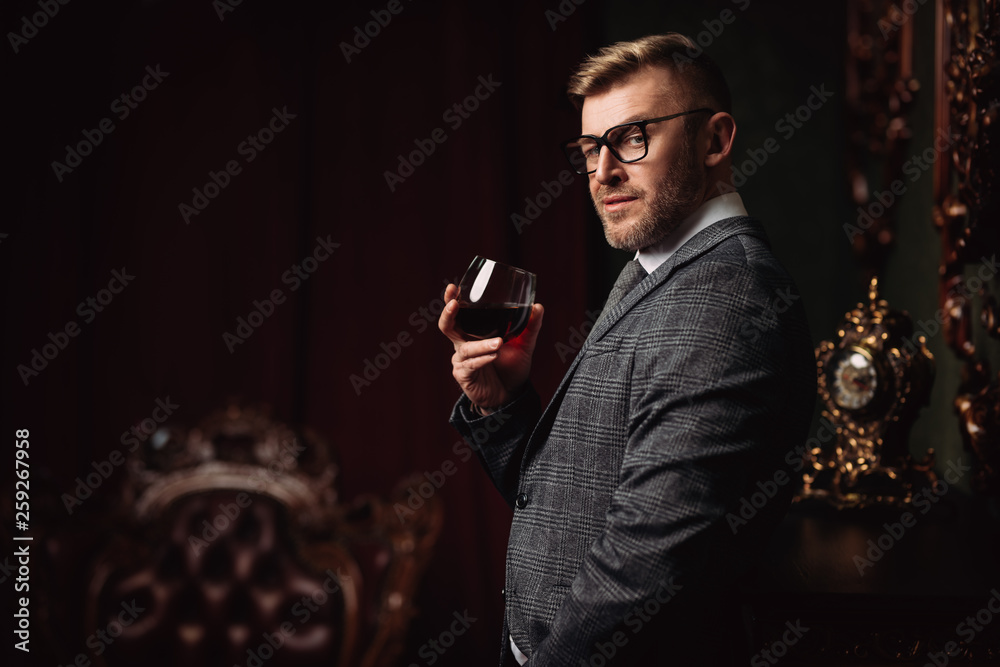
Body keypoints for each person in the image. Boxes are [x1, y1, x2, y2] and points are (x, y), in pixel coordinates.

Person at [438, 34, 816, 666]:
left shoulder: (728, 296)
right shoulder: (662, 268)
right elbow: (574, 503)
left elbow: (648, 568)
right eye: (591, 148)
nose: (604, 171)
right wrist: (503, 405)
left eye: (633, 137)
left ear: (715, 141)